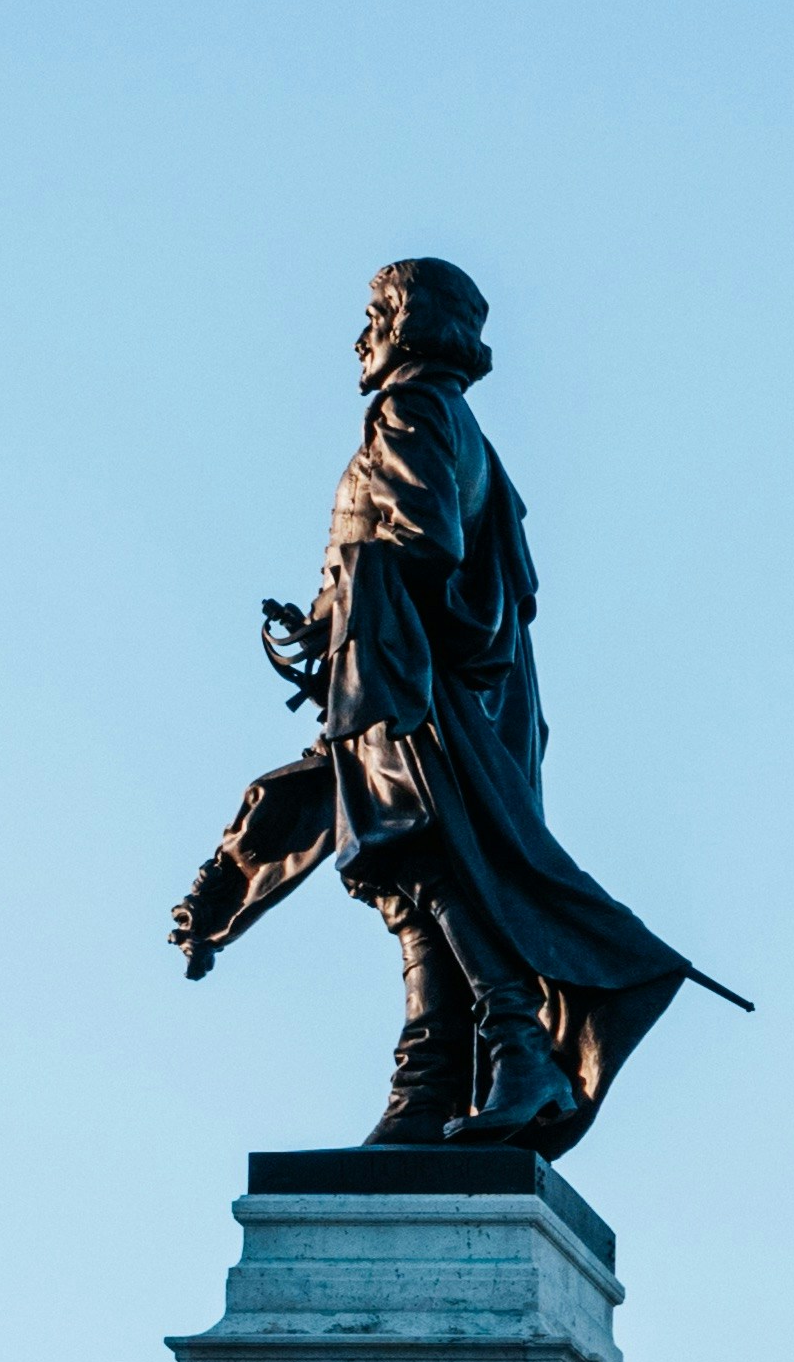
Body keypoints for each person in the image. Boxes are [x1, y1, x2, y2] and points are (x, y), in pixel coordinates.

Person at [168, 260, 729, 1150]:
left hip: (404, 689)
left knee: (419, 861)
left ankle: (518, 1050)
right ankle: (425, 1095)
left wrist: (333, 616)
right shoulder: (467, 432)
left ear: (406, 322)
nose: (360, 338)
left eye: (371, 317)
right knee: (410, 889)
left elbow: (421, 534)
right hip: (418, 687)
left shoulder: (413, 409)